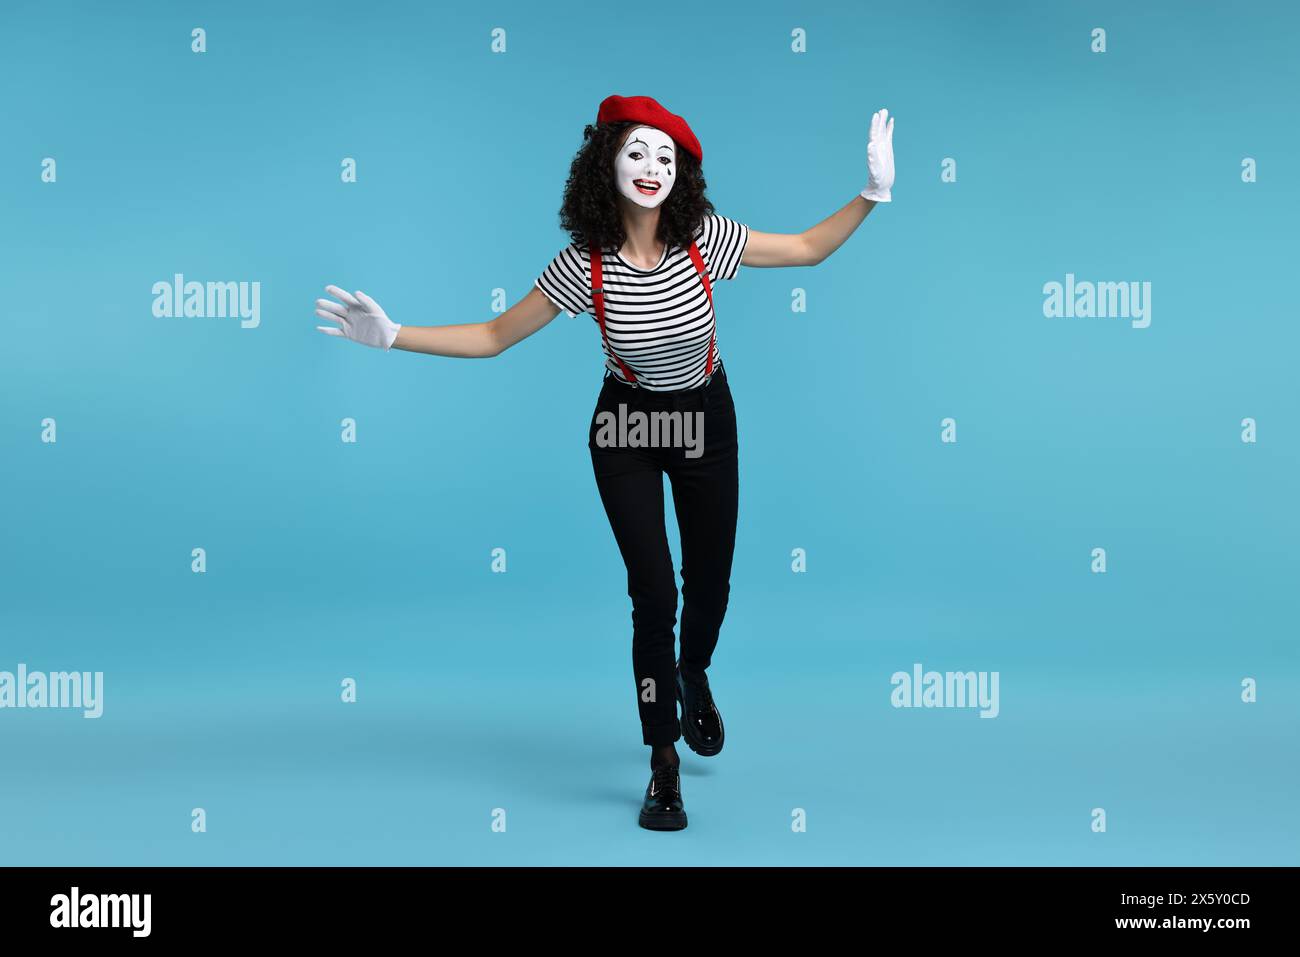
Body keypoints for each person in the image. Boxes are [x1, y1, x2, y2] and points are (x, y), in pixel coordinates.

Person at [315, 94, 896, 831]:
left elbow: (808, 248)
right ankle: (663, 763)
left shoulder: (704, 239)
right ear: (606, 164)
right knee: (653, 592)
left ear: (679, 173)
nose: (651, 168)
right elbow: (495, 335)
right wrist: (394, 334)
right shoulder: (581, 266)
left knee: (708, 580)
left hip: (704, 420)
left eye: (665, 157)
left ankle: (695, 671)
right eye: (636, 153)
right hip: (625, 424)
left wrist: (871, 195)